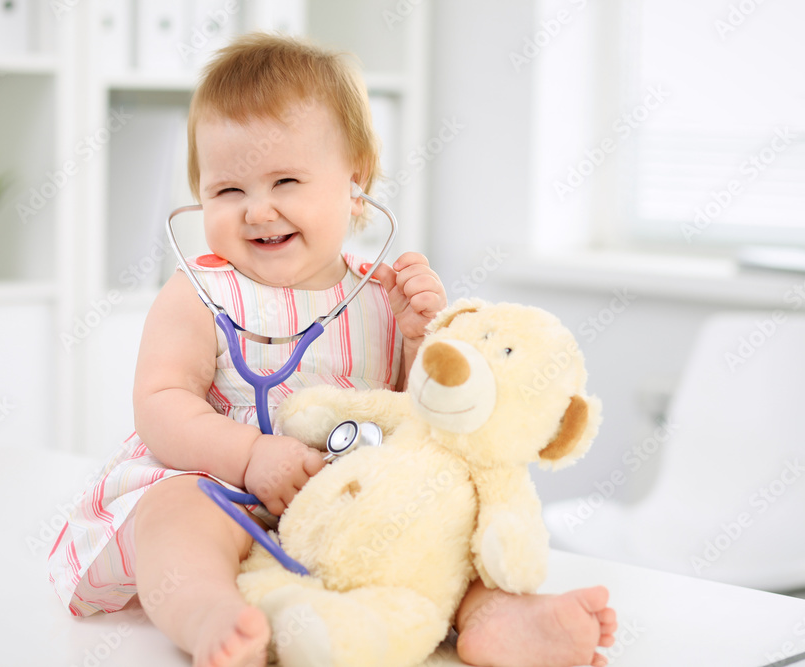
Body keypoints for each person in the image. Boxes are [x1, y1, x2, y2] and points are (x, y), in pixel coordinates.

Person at [48, 32, 617, 667]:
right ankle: (211, 611)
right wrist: (249, 456)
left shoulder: (380, 296)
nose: (257, 210)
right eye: (228, 190)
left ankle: (492, 617)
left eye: (285, 180)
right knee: (175, 515)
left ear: (355, 181)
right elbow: (160, 403)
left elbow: (419, 420)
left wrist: (418, 340)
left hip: (353, 509)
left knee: (445, 507)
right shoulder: (201, 292)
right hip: (226, 490)